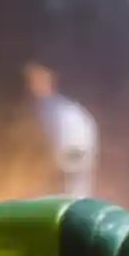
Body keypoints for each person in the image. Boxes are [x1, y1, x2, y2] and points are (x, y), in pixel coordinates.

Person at [23, 62, 98, 198]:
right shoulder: (46, 110)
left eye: (34, 79)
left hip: (63, 196)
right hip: (62, 193)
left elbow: (74, 156)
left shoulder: (64, 114)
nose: (27, 86)